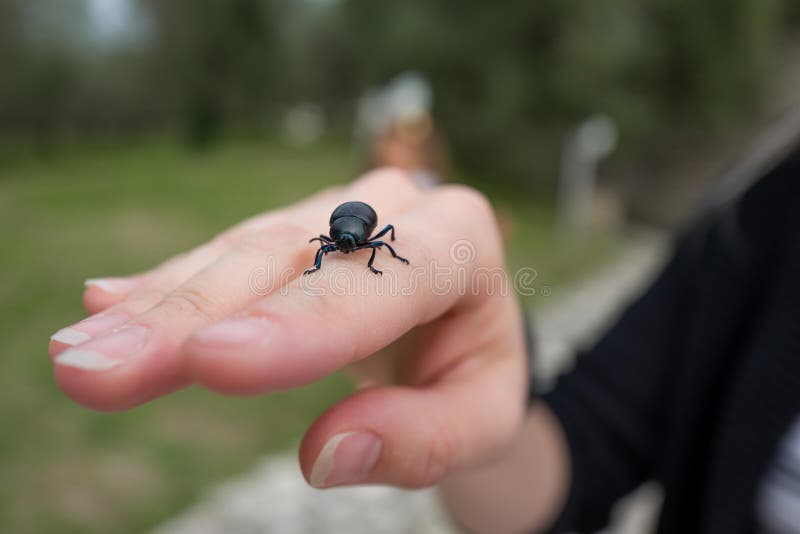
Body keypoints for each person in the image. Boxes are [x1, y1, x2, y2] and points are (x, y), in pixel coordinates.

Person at [48, 146, 800, 533]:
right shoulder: (767, 221)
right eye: (346, 245)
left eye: (353, 245)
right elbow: (586, 452)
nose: (347, 247)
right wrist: (463, 380)